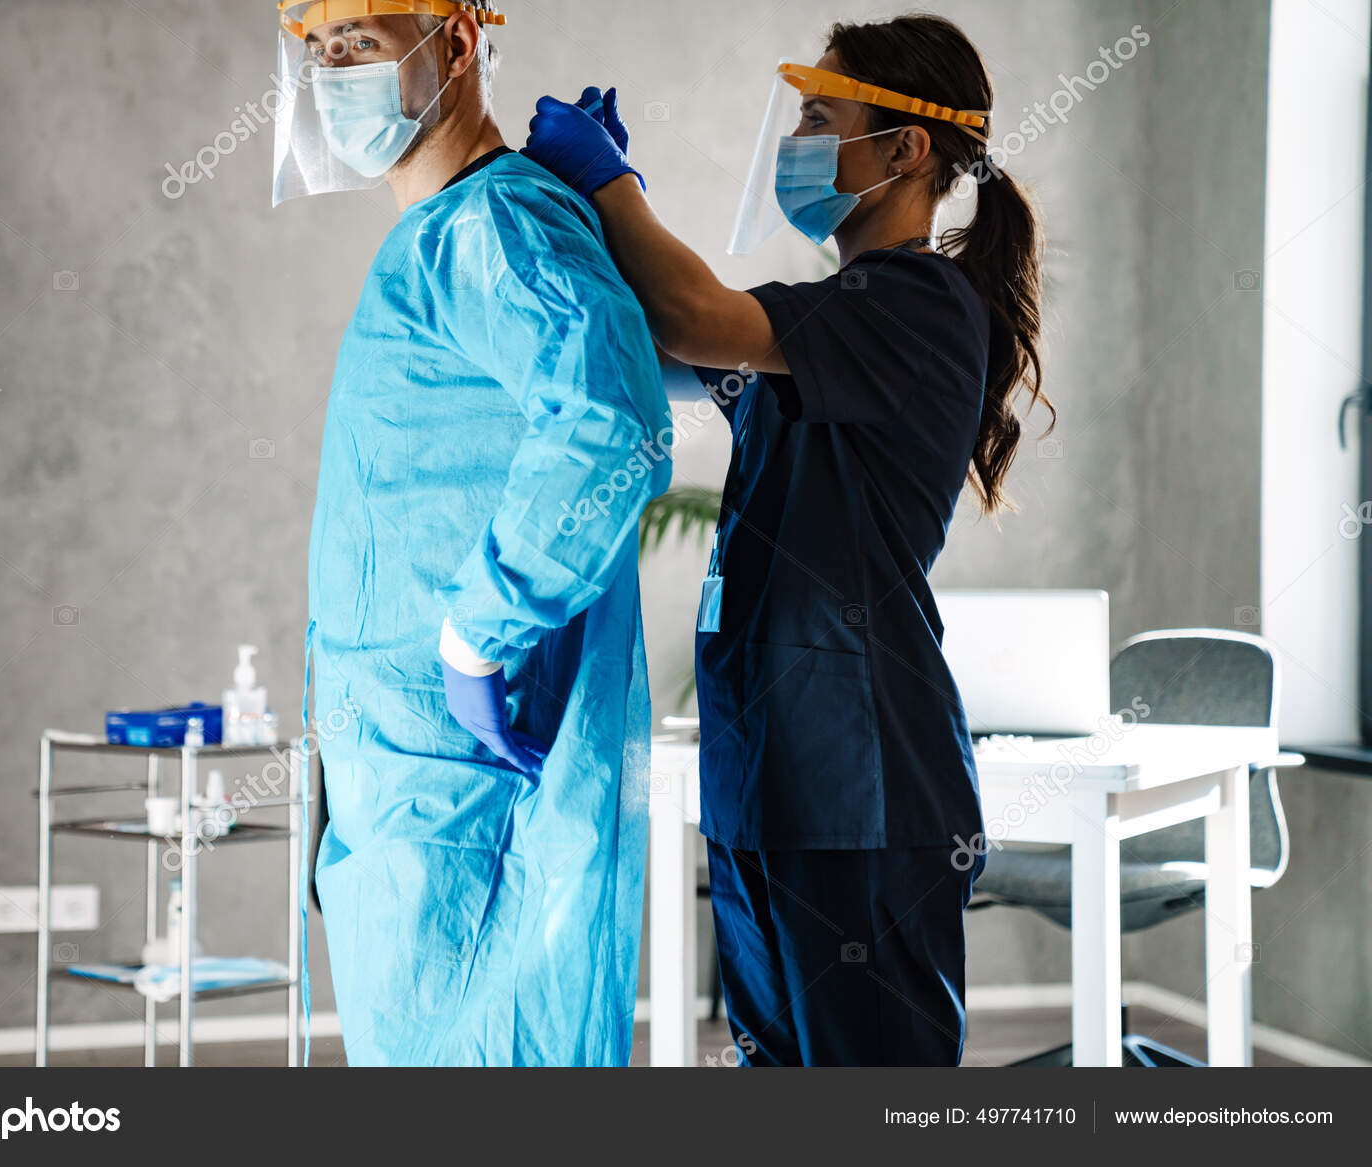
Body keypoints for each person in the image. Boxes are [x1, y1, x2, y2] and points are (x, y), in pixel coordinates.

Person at [524, 13, 1051, 1067]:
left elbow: (691, 317)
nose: (795, 142)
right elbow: (652, 341)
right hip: (767, 773)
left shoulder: (919, 303)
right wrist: (572, 221)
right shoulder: (820, 324)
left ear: (904, 148)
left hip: (861, 782)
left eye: (821, 116)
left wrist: (609, 185)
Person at [272, 1, 671, 1065]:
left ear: (454, 43)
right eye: (317, 53)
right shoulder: (442, 236)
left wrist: (473, 639)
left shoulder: (489, 226)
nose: (331, 73)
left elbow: (610, 424)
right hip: (412, 764)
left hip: (470, 765)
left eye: (356, 42)